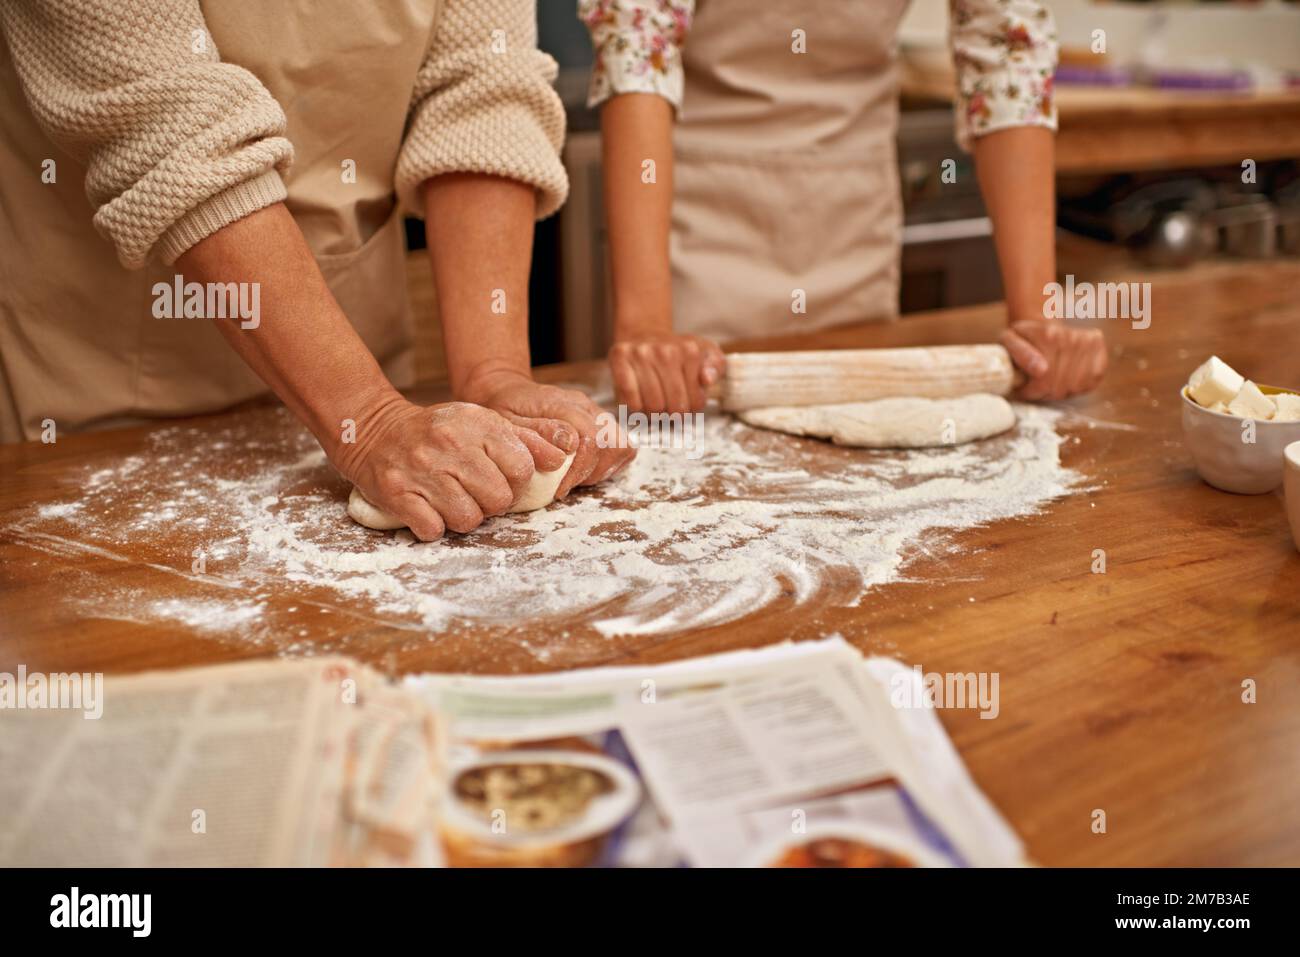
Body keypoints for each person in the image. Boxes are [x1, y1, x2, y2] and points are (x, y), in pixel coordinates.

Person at [0, 0, 632, 540]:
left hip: (365, 365)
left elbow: (482, 94)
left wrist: (491, 376)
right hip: (110, 391)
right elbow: (168, 123)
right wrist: (370, 419)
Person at [580, 0, 1108, 413]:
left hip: (851, 203)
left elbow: (1007, 54)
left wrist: (1038, 318)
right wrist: (648, 325)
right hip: (694, 206)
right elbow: (638, 47)